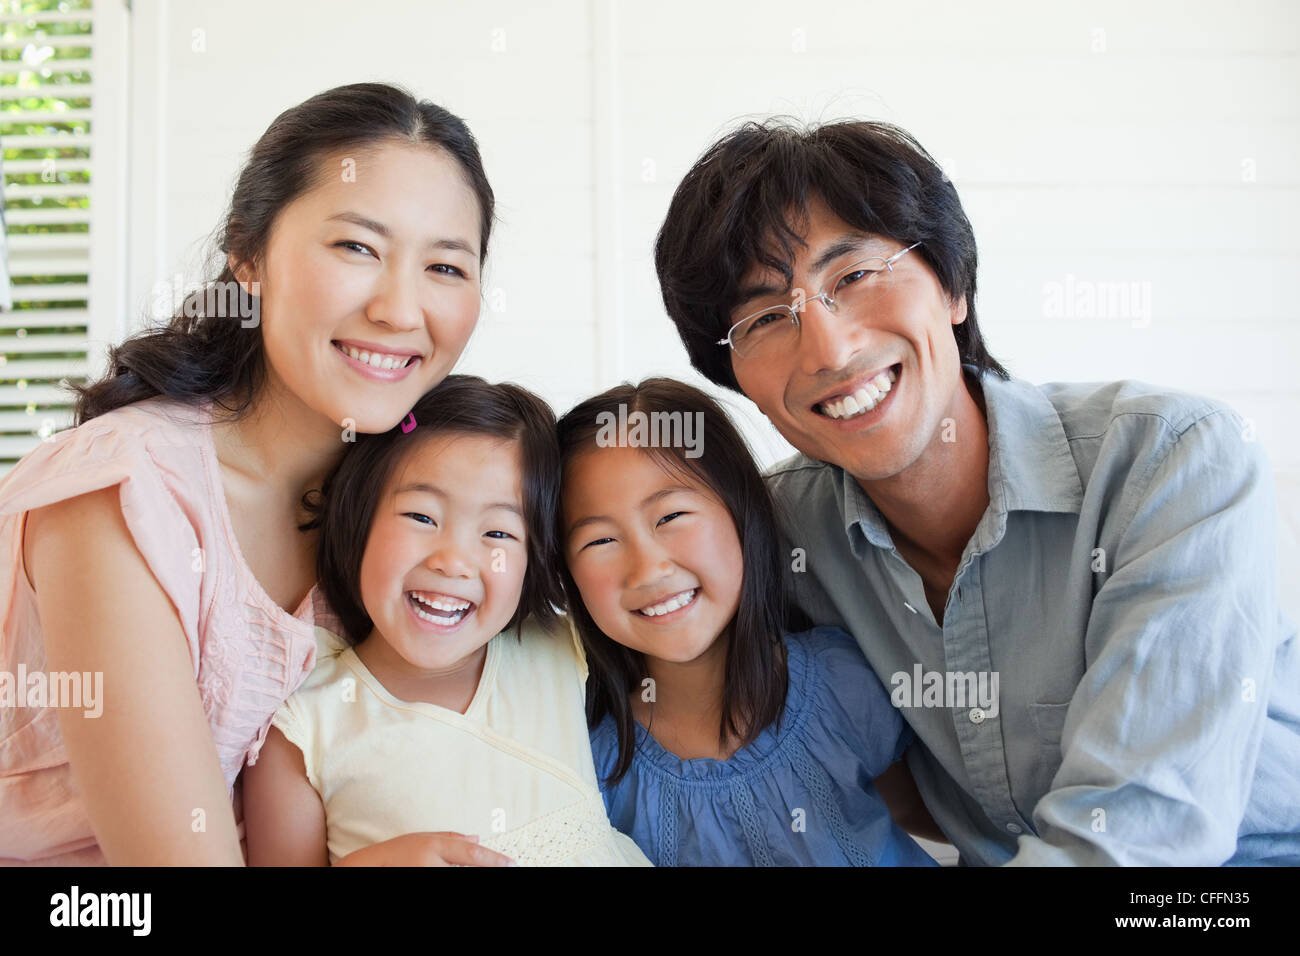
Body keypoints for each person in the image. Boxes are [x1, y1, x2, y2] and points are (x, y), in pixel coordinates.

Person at [652, 118, 1300, 865]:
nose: (830, 350)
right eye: (767, 317)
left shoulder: (1173, 462)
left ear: (952, 284)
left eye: (854, 276)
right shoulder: (777, 535)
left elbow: (1135, 839)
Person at [0, 82, 507, 866]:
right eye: (357, 248)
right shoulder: (121, 492)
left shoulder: (410, 514)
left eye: (445, 266)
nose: (402, 311)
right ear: (248, 255)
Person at [243, 376, 650, 867]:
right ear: (359, 517)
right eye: (421, 516)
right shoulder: (305, 726)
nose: (453, 561)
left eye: (498, 531)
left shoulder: (558, 643)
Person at [559, 377, 940, 866]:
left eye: (671, 515)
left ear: (743, 515)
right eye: (599, 542)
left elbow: (926, 812)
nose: (648, 567)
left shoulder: (841, 682)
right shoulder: (592, 764)